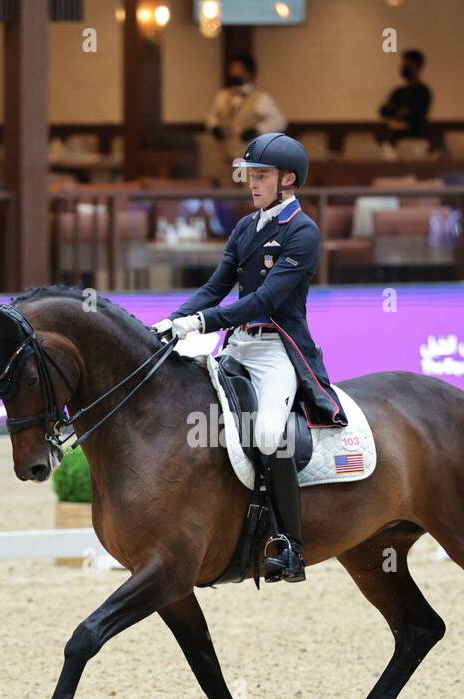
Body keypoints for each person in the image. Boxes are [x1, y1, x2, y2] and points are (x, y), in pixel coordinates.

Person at [153, 133, 348, 584]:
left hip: (277, 348)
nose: (252, 183)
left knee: (265, 434)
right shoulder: (245, 227)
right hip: (238, 344)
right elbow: (215, 287)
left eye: (261, 176)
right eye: (250, 175)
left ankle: (291, 546)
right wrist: (173, 320)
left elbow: (264, 299)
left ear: (288, 180)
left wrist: (202, 324)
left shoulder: (303, 232)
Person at [204, 55, 286, 187]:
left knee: (248, 194)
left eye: (238, 69)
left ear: (250, 73)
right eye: (232, 68)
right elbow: (212, 116)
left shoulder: (260, 97)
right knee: (226, 195)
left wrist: (257, 130)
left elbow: (279, 121)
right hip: (226, 156)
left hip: (250, 159)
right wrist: (214, 127)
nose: (234, 72)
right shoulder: (223, 95)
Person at [378, 49, 432, 144]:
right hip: (396, 139)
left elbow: (417, 116)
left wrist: (400, 118)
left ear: (418, 66)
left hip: (415, 140)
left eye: (409, 64)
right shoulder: (399, 92)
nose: (405, 67)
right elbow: (384, 111)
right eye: (404, 63)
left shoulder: (423, 92)